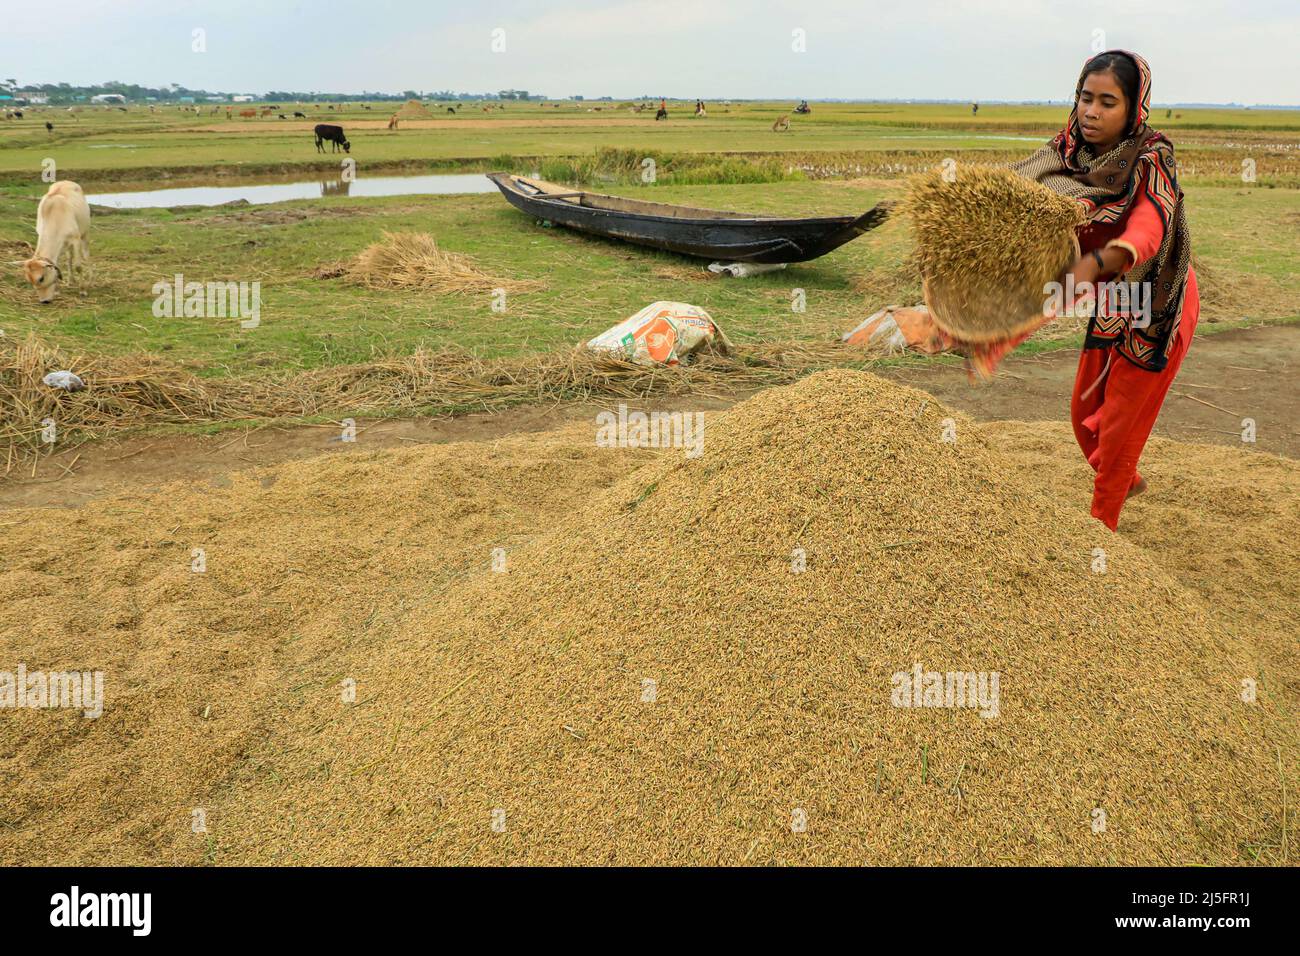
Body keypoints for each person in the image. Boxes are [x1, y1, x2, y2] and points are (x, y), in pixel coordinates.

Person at [1004, 50, 1197, 531]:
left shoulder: (1152, 159)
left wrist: (1113, 255)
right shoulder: (1063, 153)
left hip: (1156, 297)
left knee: (1118, 427)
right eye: (1085, 98)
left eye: (1107, 102)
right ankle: (1124, 476)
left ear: (1134, 109)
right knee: (1083, 411)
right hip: (1112, 296)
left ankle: (1102, 526)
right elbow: (1013, 191)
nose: (1091, 111)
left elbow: (1151, 226)